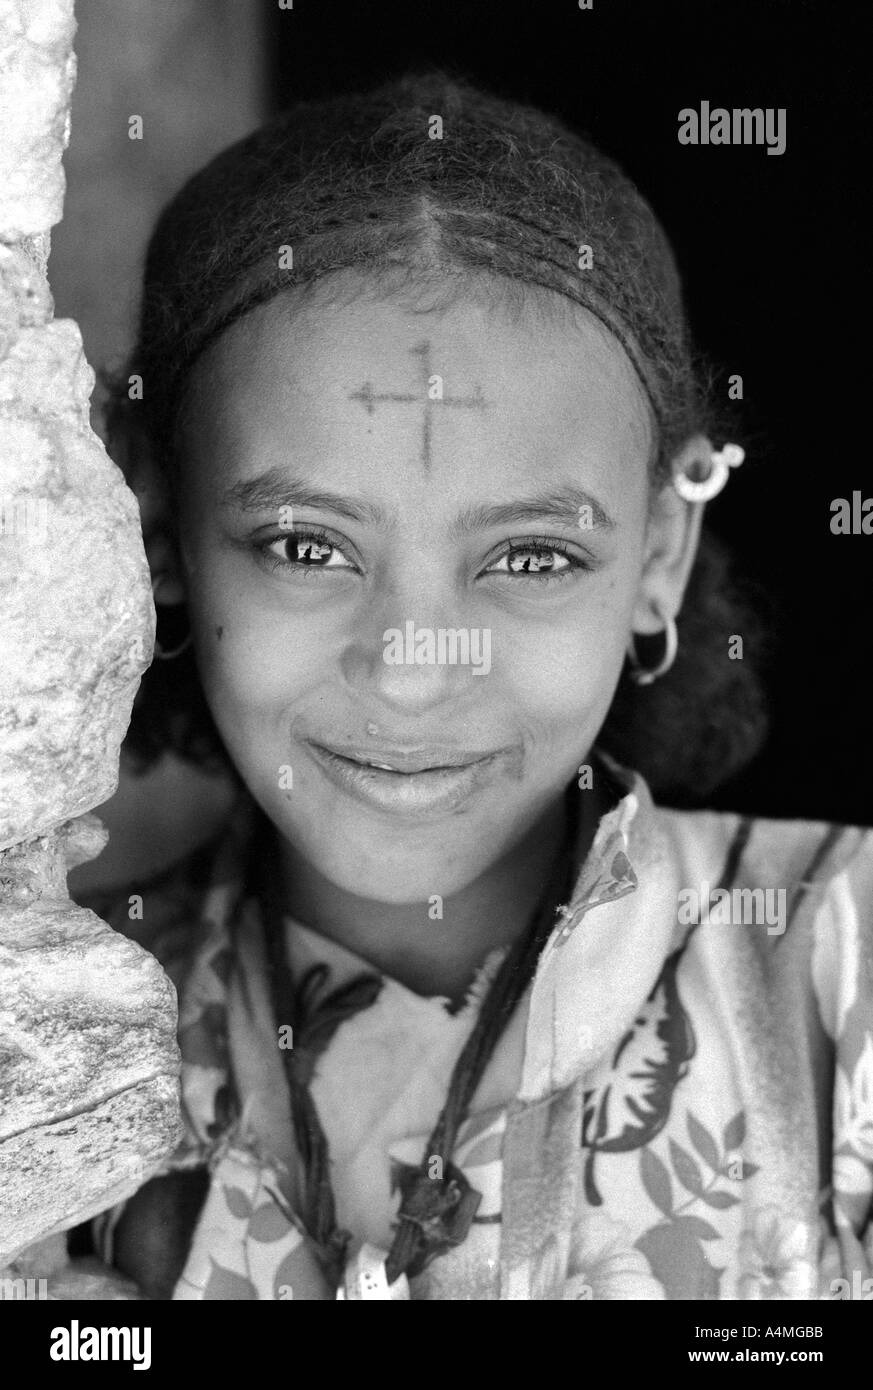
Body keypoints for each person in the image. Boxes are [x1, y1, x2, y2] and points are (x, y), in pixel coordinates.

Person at [67, 71, 872, 1301]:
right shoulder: (54, 1038)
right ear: (166, 534)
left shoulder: (842, 972)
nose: (412, 672)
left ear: (660, 554)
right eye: (306, 546)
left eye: (532, 557)